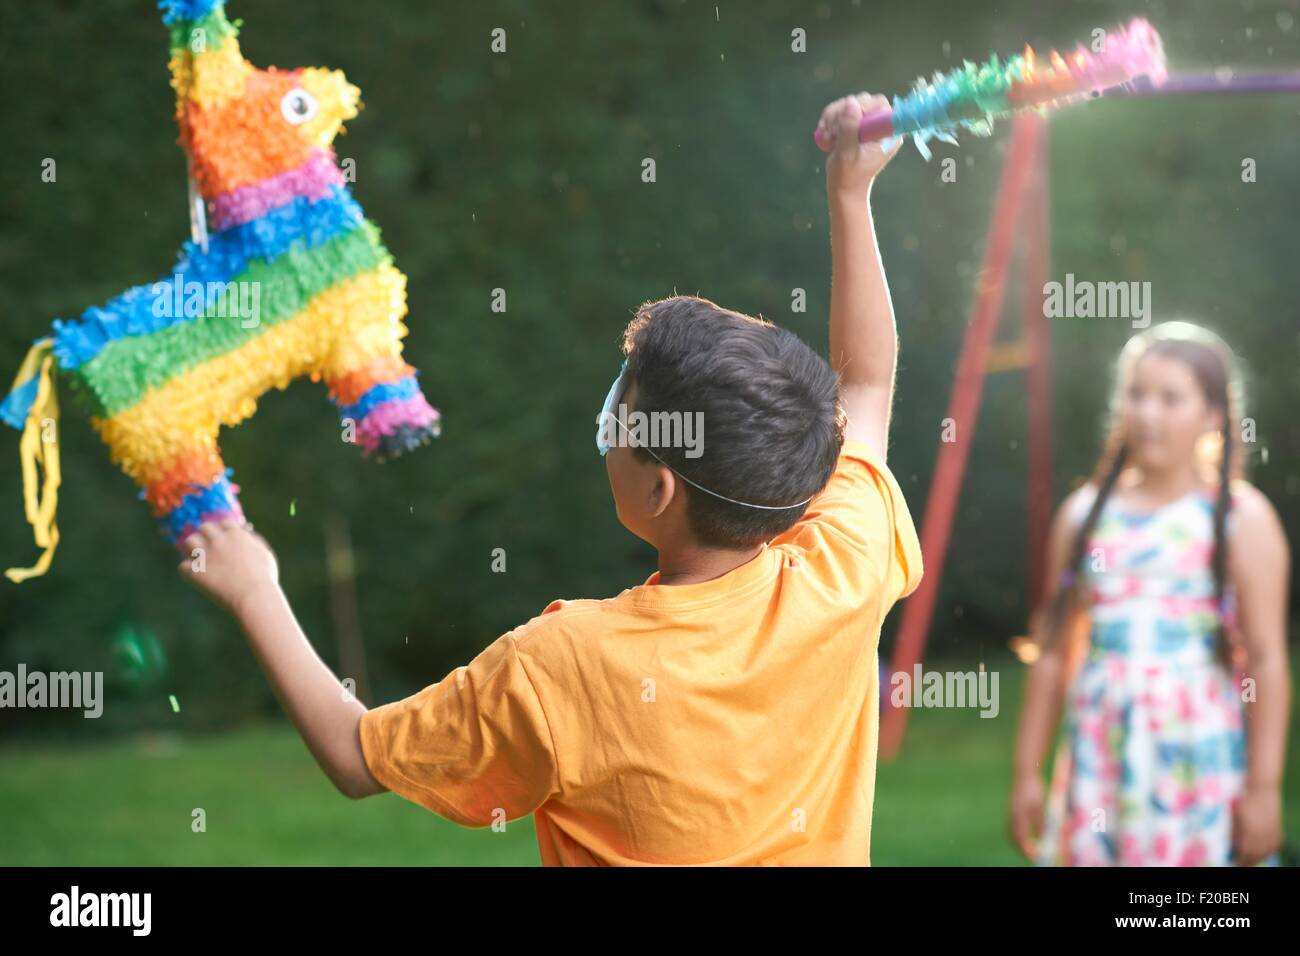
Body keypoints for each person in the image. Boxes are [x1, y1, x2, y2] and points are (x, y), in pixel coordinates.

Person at [179, 94, 923, 865]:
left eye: (620, 411)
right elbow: (866, 386)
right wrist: (853, 191)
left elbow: (355, 756)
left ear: (660, 489)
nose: (608, 418)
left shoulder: (563, 665)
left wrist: (253, 586)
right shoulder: (844, 571)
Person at [1010, 322, 1290, 866]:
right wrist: (1027, 773)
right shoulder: (1085, 518)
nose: (1148, 413)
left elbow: (1267, 660)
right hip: (1101, 758)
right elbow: (1050, 653)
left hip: (1200, 760)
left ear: (1213, 415)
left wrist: (1264, 787)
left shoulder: (1241, 519)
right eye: (1137, 395)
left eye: (1170, 398)